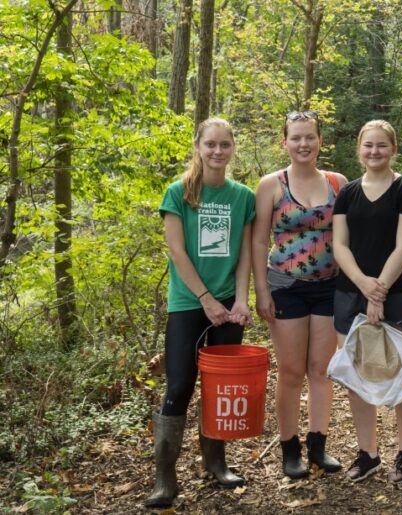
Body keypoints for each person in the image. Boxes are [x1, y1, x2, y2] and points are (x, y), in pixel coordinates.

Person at [145, 117, 255, 508]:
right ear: (198, 146)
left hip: (228, 304)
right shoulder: (178, 193)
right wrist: (206, 299)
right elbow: (177, 252)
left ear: (232, 149)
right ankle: (165, 476)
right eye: (210, 144)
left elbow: (244, 254)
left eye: (224, 145)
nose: (217, 151)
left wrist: (241, 299)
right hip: (189, 303)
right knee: (179, 386)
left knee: (221, 388)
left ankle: (215, 462)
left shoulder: (242, 196)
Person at [252, 111, 347, 479]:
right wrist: (261, 291)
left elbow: (350, 235)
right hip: (285, 287)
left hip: (329, 287)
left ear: (320, 141)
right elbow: (259, 239)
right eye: (296, 137)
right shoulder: (271, 185)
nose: (304, 144)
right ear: (285, 142)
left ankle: (318, 446)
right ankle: (290, 449)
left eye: (310, 137)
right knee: (291, 372)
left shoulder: (338, 183)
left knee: (321, 370)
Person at [332, 120, 402, 484]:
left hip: (397, 292)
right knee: (357, 374)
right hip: (349, 292)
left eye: (382, 146)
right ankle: (368, 453)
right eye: (368, 146)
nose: (374, 152)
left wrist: (379, 290)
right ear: (359, 150)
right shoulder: (347, 193)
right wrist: (363, 286)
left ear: (393, 149)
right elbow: (340, 244)